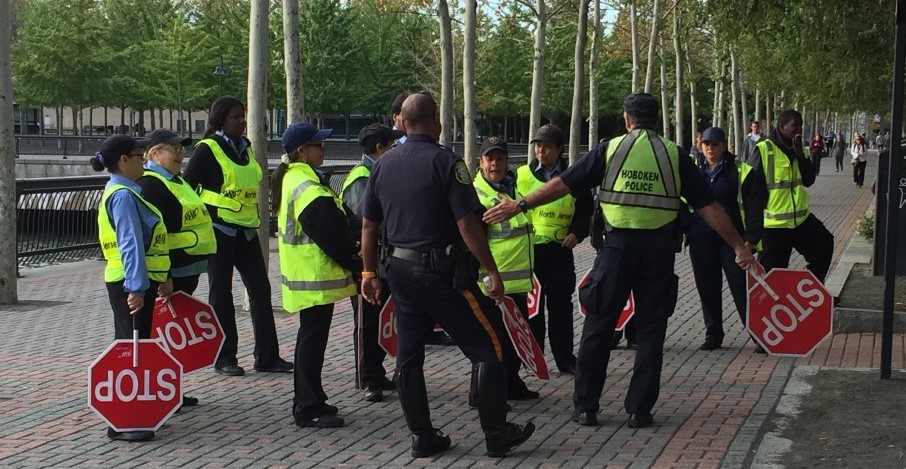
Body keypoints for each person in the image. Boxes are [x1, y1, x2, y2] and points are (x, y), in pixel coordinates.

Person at [484, 92, 755, 429]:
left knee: (598, 325)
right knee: (651, 332)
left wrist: (520, 204)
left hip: (617, 250)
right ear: (656, 120)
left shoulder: (610, 149)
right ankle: (639, 410)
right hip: (659, 251)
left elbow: (563, 184)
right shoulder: (674, 154)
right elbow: (709, 206)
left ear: (627, 120)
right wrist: (738, 245)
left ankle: (586, 407)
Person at [360, 93, 534, 458]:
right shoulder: (447, 163)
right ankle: (496, 432)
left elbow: (369, 225)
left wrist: (368, 273)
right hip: (441, 274)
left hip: (400, 272)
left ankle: (422, 436)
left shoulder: (383, 164)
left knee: (408, 356)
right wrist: (491, 270)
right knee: (490, 348)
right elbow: (468, 225)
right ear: (436, 121)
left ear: (402, 123)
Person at [183, 96, 292, 377]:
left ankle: (267, 357)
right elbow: (186, 190)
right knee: (221, 295)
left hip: (246, 231)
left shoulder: (246, 149)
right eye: (235, 117)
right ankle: (225, 358)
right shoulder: (207, 149)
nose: (242, 121)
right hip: (219, 231)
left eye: (243, 116)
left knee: (261, 291)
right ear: (220, 120)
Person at [272, 122, 359, 428]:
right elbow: (328, 232)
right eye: (318, 145)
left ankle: (313, 398)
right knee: (311, 341)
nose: (323, 149)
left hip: (306, 276)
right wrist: (355, 260)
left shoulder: (297, 177)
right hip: (314, 276)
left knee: (312, 339)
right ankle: (307, 406)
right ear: (302, 151)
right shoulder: (305, 184)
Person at [91, 134, 173, 441]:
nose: (145, 160)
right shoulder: (123, 196)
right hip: (129, 282)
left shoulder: (124, 191)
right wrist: (137, 288)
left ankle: (132, 415)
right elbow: (131, 245)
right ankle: (121, 421)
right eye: (140, 155)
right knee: (130, 347)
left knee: (136, 344)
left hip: (130, 280)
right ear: (124, 161)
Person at [137, 129, 217, 408]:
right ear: (154, 153)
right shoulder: (151, 185)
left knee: (172, 335)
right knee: (160, 334)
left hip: (188, 265)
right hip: (170, 272)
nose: (180, 155)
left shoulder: (176, 181)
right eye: (174, 150)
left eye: (182, 150)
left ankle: (171, 388)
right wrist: (164, 276)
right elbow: (156, 236)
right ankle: (162, 390)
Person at [517, 124, 592, 375]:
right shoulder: (521, 176)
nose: (541, 150)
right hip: (530, 252)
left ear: (559, 149)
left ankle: (565, 358)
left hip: (561, 250)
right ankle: (534, 356)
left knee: (561, 307)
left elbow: (585, 211)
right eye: (538, 145)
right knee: (533, 309)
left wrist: (577, 233)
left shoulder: (573, 177)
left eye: (547, 146)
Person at [471, 136, 539, 401]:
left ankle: (511, 383)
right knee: (491, 343)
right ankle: (481, 395)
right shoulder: (477, 194)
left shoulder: (511, 189)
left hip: (516, 282)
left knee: (512, 341)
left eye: (500, 159)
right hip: (490, 283)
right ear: (480, 162)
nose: (495, 164)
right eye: (490, 159)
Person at [687, 127, 767, 352]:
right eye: (706, 145)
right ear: (700, 146)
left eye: (714, 145)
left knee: (742, 288)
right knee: (707, 287)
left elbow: (753, 208)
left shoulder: (741, 171)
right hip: (701, 238)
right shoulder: (693, 170)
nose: (710, 149)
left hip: (732, 240)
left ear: (724, 146)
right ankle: (713, 334)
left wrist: (750, 239)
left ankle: (757, 334)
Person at [339, 123, 400, 402]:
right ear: (379, 148)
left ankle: (377, 373)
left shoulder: (377, 171)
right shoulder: (361, 178)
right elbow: (361, 225)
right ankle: (369, 378)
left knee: (380, 319)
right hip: (369, 262)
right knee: (367, 321)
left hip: (384, 259)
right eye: (391, 144)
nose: (395, 149)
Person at [750, 110, 834, 284]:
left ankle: (807, 289)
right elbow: (753, 191)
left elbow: (809, 180)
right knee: (771, 276)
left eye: (801, 125)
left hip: (800, 220)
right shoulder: (764, 149)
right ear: (782, 126)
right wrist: (753, 231)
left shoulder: (799, 148)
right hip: (774, 225)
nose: (799, 129)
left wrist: (800, 156)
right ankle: (773, 306)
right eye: (794, 125)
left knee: (824, 244)